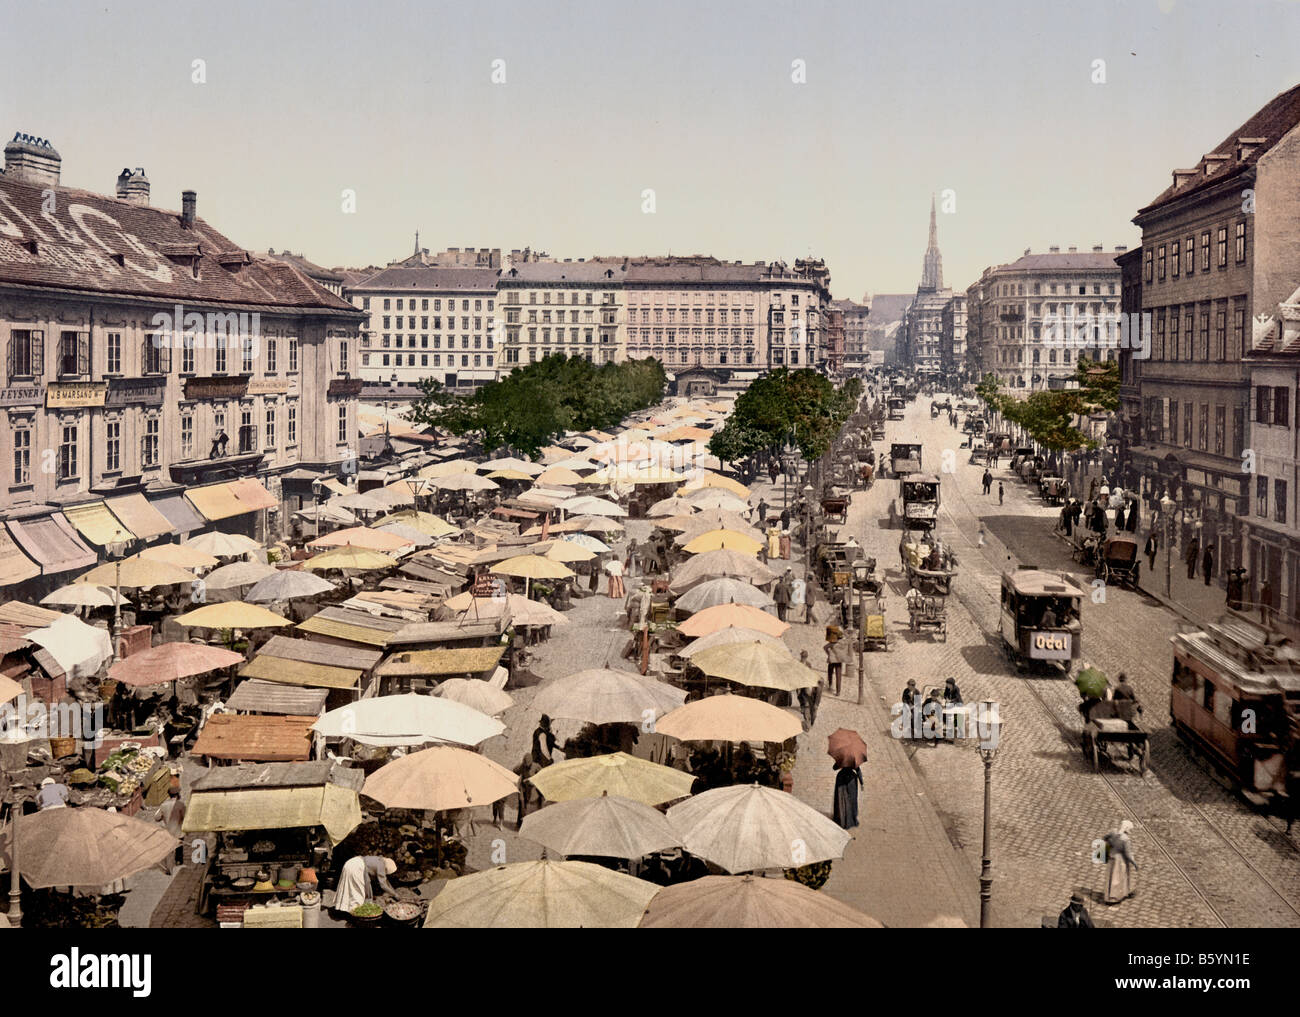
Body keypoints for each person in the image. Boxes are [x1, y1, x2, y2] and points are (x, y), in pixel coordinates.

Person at [332, 855, 397, 915]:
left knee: (348, 888)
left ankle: (345, 908)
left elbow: (386, 881)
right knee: (358, 892)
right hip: (357, 867)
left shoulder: (380, 860)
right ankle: (356, 914)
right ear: (386, 868)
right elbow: (383, 885)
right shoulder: (381, 866)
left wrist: (394, 892)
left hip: (351, 863)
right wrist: (395, 895)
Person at [1102, 819, 1138, 904]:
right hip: (1120, 860)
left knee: (1111, 877)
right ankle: (1115, 897)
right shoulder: (1125, 839)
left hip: (1112, 857)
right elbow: (1128, 854)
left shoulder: (1113, 832)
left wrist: (1109, 845)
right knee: (1118, 879)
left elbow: (1105, 838)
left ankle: (1108, 896)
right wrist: (1134, 863)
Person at [832, 762, 863, 830]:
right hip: (851, 779)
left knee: (841, 798)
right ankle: (851, 819)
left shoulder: (841, 758)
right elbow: (858, 770)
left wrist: (840, 763)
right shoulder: (853, 759)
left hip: (841, 778)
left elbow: (834, 768)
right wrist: (861, 782)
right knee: (851, 799)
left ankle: (841, 819)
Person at [513, 754, 537, 828]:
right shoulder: (522, 766)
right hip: (522, 788)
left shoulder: (536, 766)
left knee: (526, 806)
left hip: (530, 789)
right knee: (522, 804)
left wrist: (533, 781)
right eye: (526, 764)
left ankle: (523, 824)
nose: (527, 766)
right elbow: (515, 771)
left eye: (528, 765)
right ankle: (519, 823)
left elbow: (542, 774)